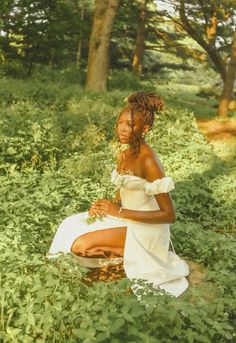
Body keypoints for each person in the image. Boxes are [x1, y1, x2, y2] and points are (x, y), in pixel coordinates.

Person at [48, 91, 189, 297]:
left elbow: (169, 215)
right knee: (69, 224)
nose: (123, 128)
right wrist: (106, 206)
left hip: (147, 229)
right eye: (120, 122)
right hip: (125, 216)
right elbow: (126, 192)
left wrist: (119, 212)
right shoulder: (126, 152)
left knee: (82, 245)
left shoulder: (148, 160)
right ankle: (92, 269)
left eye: (130, 125)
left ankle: (126, 266)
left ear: (145, 128)